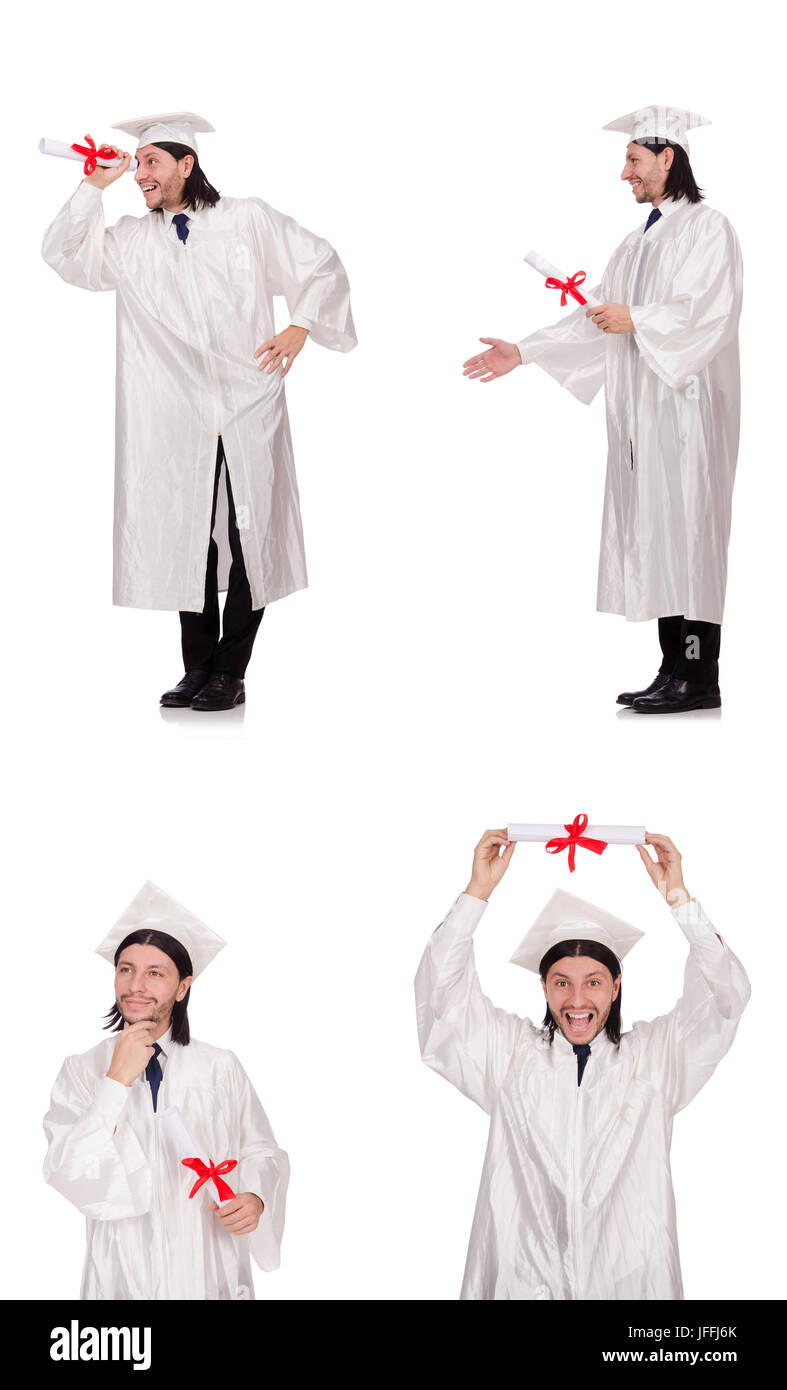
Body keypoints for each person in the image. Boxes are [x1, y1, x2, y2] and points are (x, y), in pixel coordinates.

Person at [42, 112, 356, 711]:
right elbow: (64, 255)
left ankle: (231, 670)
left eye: (151, 163)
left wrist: (300, 326)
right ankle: (197, 667)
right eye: (137, 165)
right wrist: (93, 187)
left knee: (248, 532)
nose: (140, 175)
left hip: (247, 397)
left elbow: (321, 262)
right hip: (173, 406)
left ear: (187, 164)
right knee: (190, 536)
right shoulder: (133, 240)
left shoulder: (247, 220)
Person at [463, 106, 742, 714]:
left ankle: (699, 675)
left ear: (669, 158)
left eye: (634, 160)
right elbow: (598, 321)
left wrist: (636, 318)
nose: (625, 173)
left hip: (688, 415)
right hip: (648, 418)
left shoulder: (707, 229)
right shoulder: (638, 240)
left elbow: (709, 313)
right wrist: (527, 351)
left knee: (691, 535)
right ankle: (673, 669)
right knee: (664, 536)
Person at [415, 828, 749, 1300]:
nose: (577, 1000)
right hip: (523, 1280)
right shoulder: (509, 1057)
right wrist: (477, 893)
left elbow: (724, 999)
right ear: (544, 987)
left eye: (593, 982)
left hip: (631, 1284)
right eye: (561, 982)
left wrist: (680, 899)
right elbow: (441, 998)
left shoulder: (654, 1062)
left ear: (615, 986)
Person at [43, 881, 289, 1300]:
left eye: (154, 973)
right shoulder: (83, 1070)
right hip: (122, 1270)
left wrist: (255, 1197)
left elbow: (262, 1150)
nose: (136, 985)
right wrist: (115, 1082)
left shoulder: (219, 1067)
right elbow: (69, 1171)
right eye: (126, 969)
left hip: (208, 1265)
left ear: (182, 987)